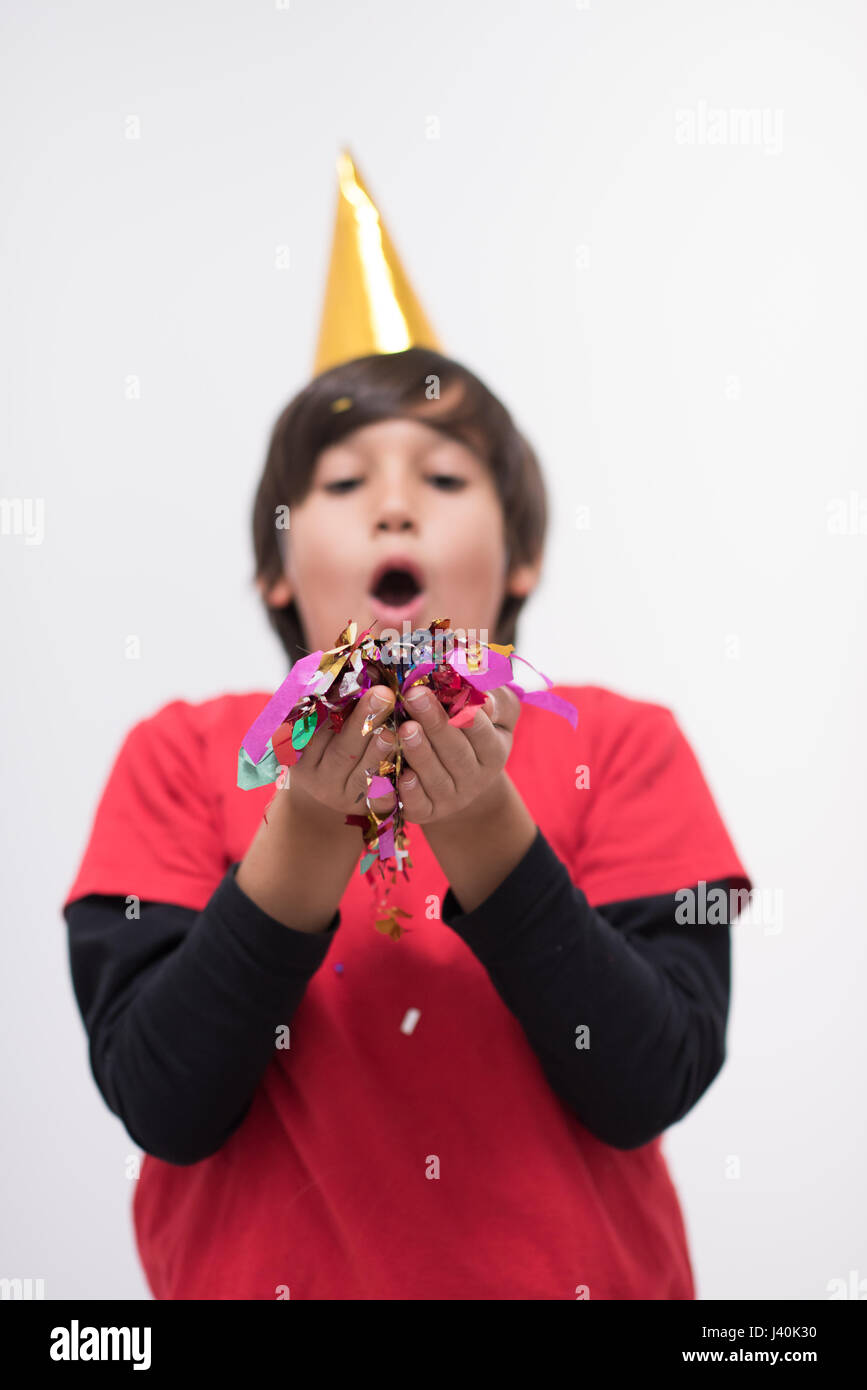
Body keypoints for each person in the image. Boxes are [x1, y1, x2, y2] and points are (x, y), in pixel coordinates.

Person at [63, 155, 751, 1300]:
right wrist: (309, 825)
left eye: (442, 475)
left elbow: (646, 1082)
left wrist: (484, 820)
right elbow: (166, 1104)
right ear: (276, 574)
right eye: (340, 484)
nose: (392, 503)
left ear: (522, 553)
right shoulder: (177, 758)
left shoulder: (627, 744)